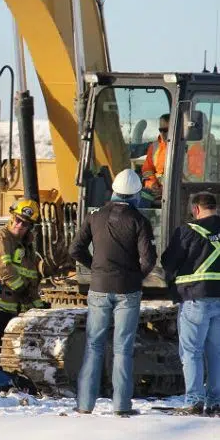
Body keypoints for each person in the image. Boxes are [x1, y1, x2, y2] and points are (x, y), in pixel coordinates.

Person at [69, 169, 156, 416]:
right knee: (122, 348)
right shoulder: (139, 220)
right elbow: (149, 259)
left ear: (114, 191)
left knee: (94, 345)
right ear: (136, 194)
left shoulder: (94, 216)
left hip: (98, 288)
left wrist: (96, 268)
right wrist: (133, 276)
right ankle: (122, 406)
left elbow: (75, 249)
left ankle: (85, 404)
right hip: (127, 291)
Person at [161, 192, 220, 416]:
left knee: (192, 352)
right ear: (215, 208)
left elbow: (168, 262)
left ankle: (194, 401)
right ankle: (216, 402)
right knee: (217, 352)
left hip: (195, 299)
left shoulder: (189, 231)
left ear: (196, 209)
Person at [0, 198, 48, 371]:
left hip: (10, 308)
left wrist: (39, 307)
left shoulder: (26, 247)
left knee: (5, 353)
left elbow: (31, 279)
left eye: (25, 223)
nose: (19, 225)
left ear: (30, 227)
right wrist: (21, 289)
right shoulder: (0, 238)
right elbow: (3, 269)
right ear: (11, 217)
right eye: (17, 220)